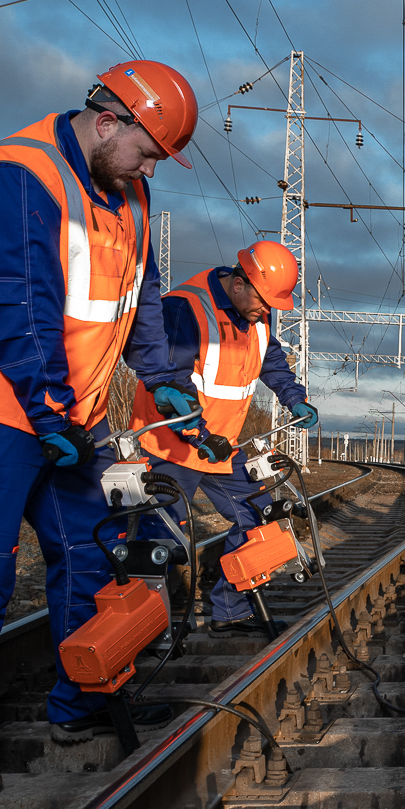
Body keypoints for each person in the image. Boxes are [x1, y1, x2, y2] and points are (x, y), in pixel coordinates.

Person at [0, 60, 214, 800]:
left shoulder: (128, 194)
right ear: (109, 121)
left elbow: (140, 296)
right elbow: (23, 304)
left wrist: (161, 372)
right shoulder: (17, 176)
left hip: (66, 409)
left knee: (94, 551)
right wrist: (44, 410)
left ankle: (85, 697)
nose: (151, 169)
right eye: (147, 151)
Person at [135, 241, 318, 634]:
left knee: (260, 520)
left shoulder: (257, 316)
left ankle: (231, 611)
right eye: (263, 300)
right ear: (239, 283)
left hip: (222, 445)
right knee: (159, 539)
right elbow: (172, 380)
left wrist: (294, 398)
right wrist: (197, 433)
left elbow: (272, 361)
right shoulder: (184, 307)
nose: (266, 310)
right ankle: (147, 628)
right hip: (173, 445)